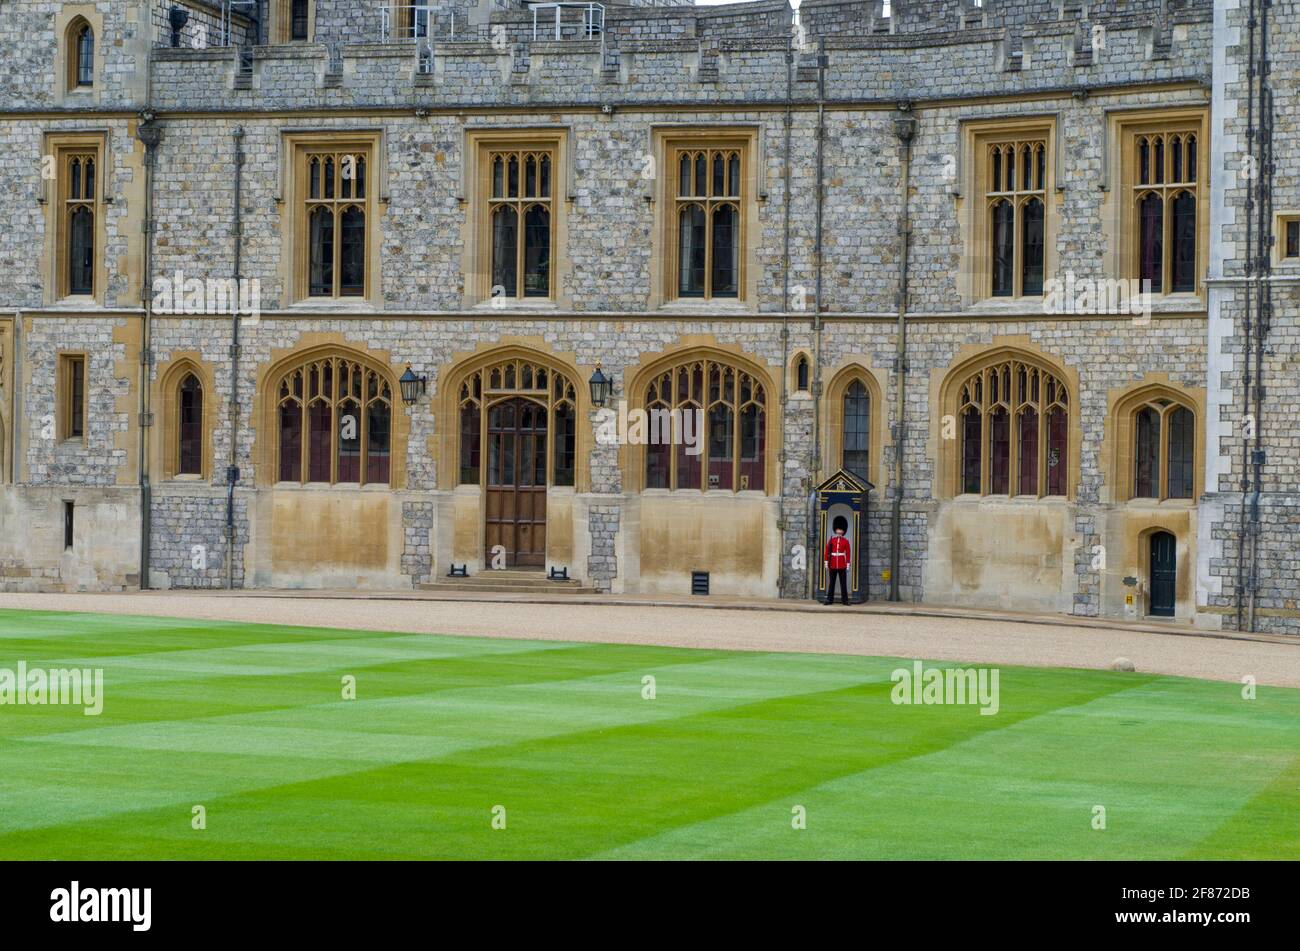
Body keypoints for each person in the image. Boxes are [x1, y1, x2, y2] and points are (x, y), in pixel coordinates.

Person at [823, 523, 852, 606]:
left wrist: (847, 564)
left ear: (843, 531)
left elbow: (848, 553)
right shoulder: (832, 540)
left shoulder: (845, 541)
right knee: (831, 583)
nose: (839, 531)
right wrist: (826, 562)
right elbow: (827, 551)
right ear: (835, 530)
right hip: (832, 564)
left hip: (842, 564)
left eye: (841, 530)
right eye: (838, 529)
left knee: (843, 583)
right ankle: (829, 599)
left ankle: (845, 600)